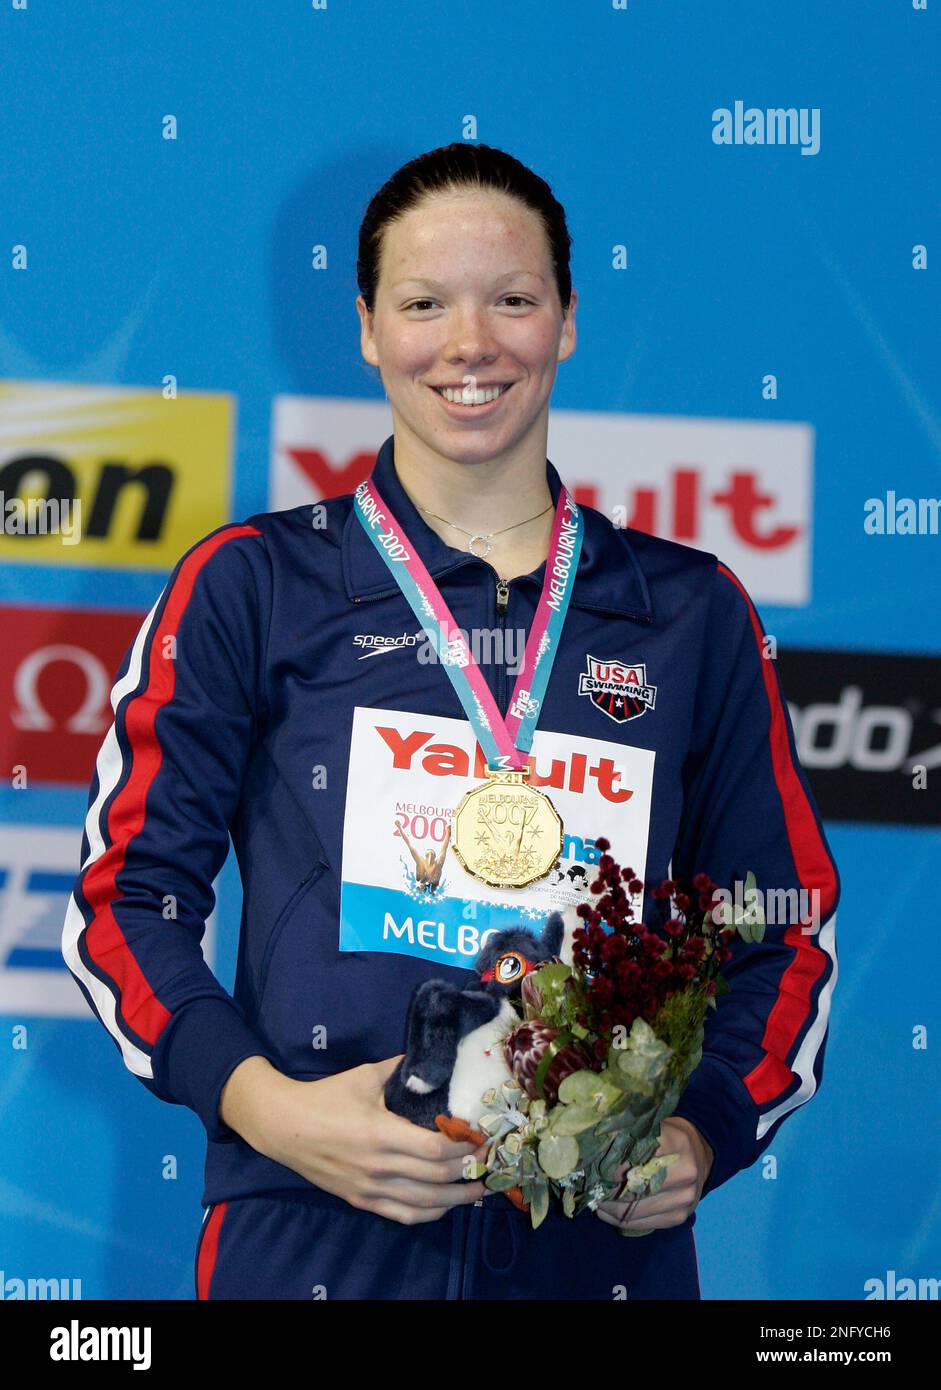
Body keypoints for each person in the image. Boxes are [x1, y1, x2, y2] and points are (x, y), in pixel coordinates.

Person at [61, 142, 840, 1300]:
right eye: (423, 304)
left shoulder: (687, 612)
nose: (468, 344)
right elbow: (125, 900)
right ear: (367, 328)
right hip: (309, 1235)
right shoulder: (254, 585)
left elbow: (779, 922)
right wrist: (266, 1108)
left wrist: (703, 1128)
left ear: (566, 321)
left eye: (511, 300)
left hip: (594, 1247)